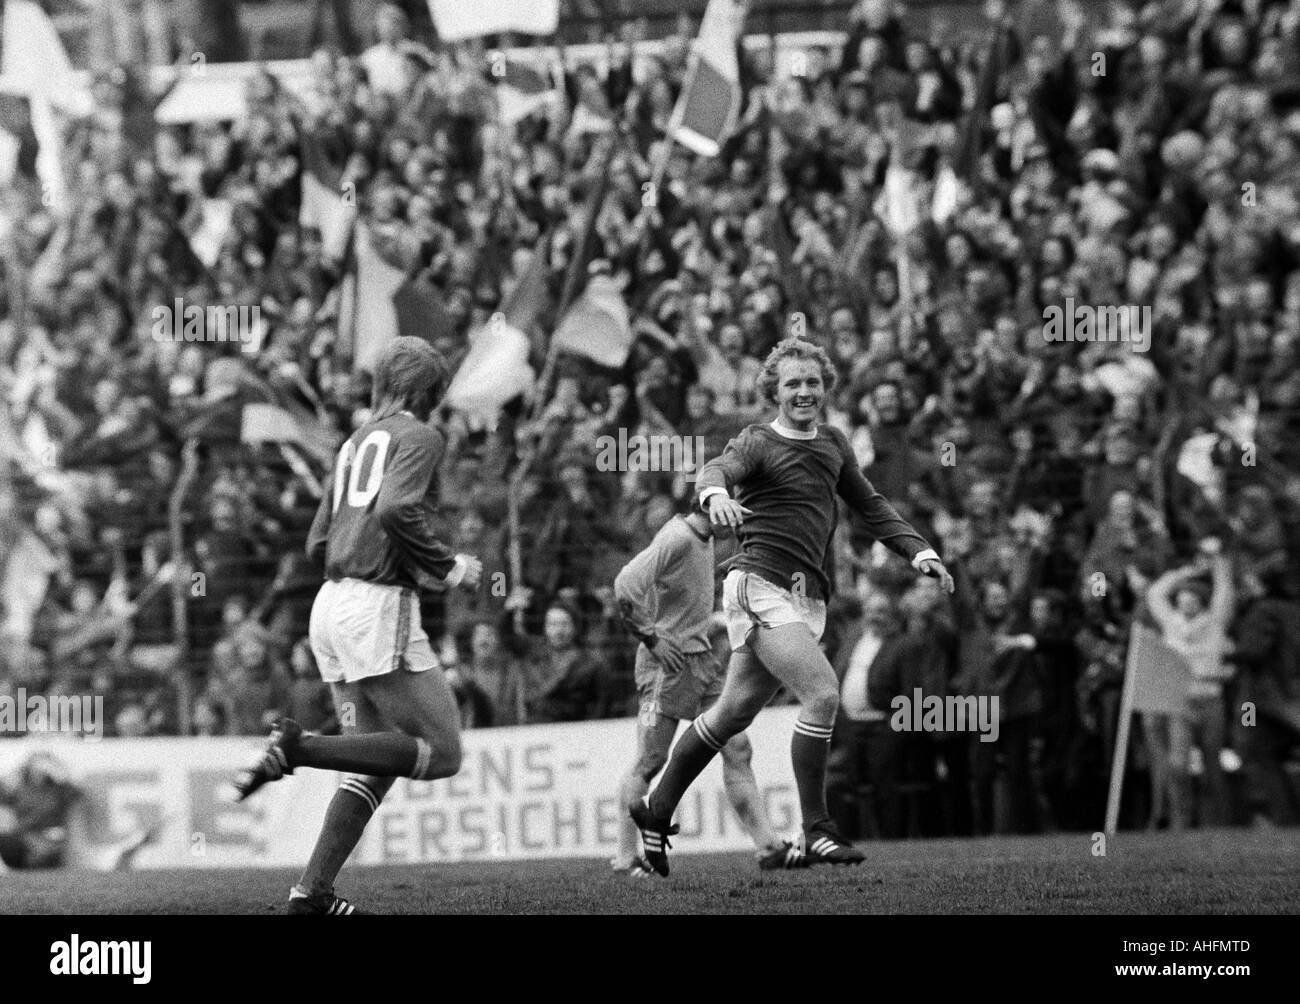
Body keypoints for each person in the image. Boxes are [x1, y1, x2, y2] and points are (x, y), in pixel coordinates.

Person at [631, 338, 953, 874]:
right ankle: (818, 829)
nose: (804, 392)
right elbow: (715, 470)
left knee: (729, 715)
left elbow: (870, 506)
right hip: (757, 585)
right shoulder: (758, 440)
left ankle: (657, 811)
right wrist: (715, 497)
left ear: (825, 388)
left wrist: (919, 550)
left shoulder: (833, 444)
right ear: (774, 392)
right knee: (823, 694)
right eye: (792, 384)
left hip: (805, 598)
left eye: (812, 382)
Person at [231, 338, 483, 915]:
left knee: (371, 760)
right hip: (376, 606)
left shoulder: (352, 443)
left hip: (332, 605)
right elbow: (396, 510)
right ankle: (299, 748)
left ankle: (310, 893)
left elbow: (318, 540)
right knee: (443, 754)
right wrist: (448, 566)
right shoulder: (419, 436)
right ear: (431, 391)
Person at [612, 503, 803, 877]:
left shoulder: (703, 538)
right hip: (666, 666)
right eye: (739, 512)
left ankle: (768, 847)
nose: (743, 522)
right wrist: (652, 640)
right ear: (717, 508)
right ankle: (625, 855)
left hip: (701, 660)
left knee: (737, 747)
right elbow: (625, 586)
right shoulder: (678, 537)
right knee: (650, 760)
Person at [1145, 538, 1235, 829]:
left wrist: (1217, 562)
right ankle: (1180, 822)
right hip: (1180, 703)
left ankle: (1218, 824)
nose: (1186, 604)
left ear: (1200, 602)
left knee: (1213, 764)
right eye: (1182, 600)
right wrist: (1184, 573)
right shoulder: (1171, 623)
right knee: (1178, 764)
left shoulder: (1214, 623)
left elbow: (1224, 593)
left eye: (1192, 600)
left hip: (1210, 699)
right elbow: (1155, 595)